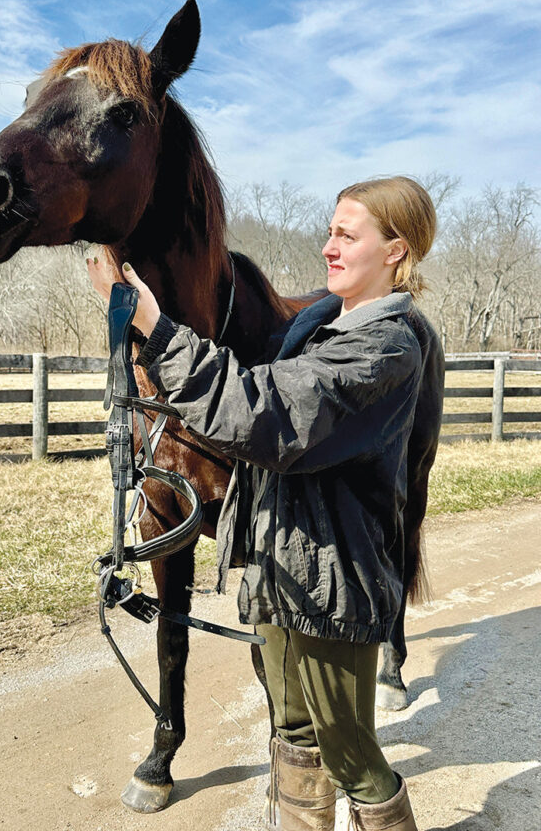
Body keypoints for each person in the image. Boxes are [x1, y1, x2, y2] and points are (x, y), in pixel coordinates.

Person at [87, 176, 444, 831]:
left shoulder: (388, 345)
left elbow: (263, 413)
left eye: (347, 233)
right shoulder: (314, 325)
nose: (329, 245)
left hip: (334, 581)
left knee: (351, 752)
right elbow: (245, 384)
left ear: (396, 249)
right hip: (278, 570)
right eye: (330, 230)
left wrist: (155, 328)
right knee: (293, 736)